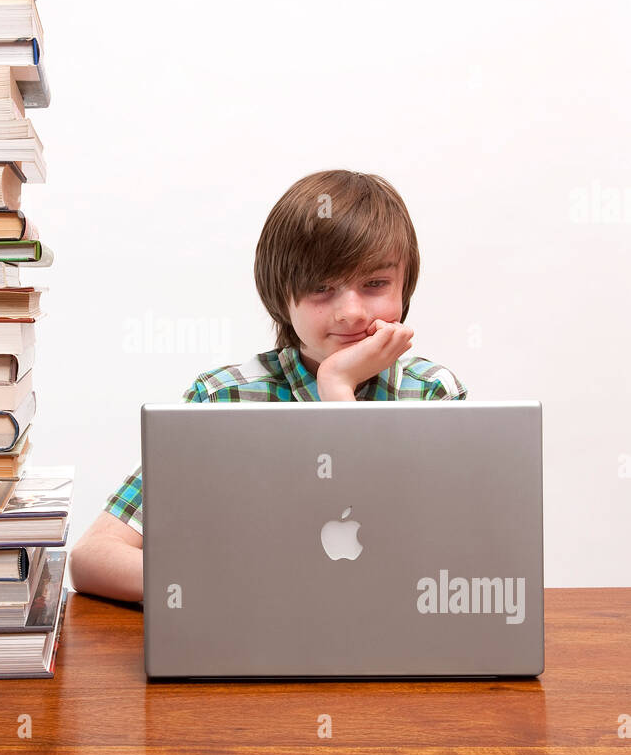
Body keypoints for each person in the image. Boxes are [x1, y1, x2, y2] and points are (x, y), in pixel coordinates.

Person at [69, 169, 467, 603]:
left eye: (374, 284)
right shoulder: (221, 400)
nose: (351, 312)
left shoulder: (433, 395)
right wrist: (243, 593)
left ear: (404, 287)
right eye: (321, 288)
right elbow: (94, 557)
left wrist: (336, 386)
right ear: (282, 296)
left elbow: (434, 566)